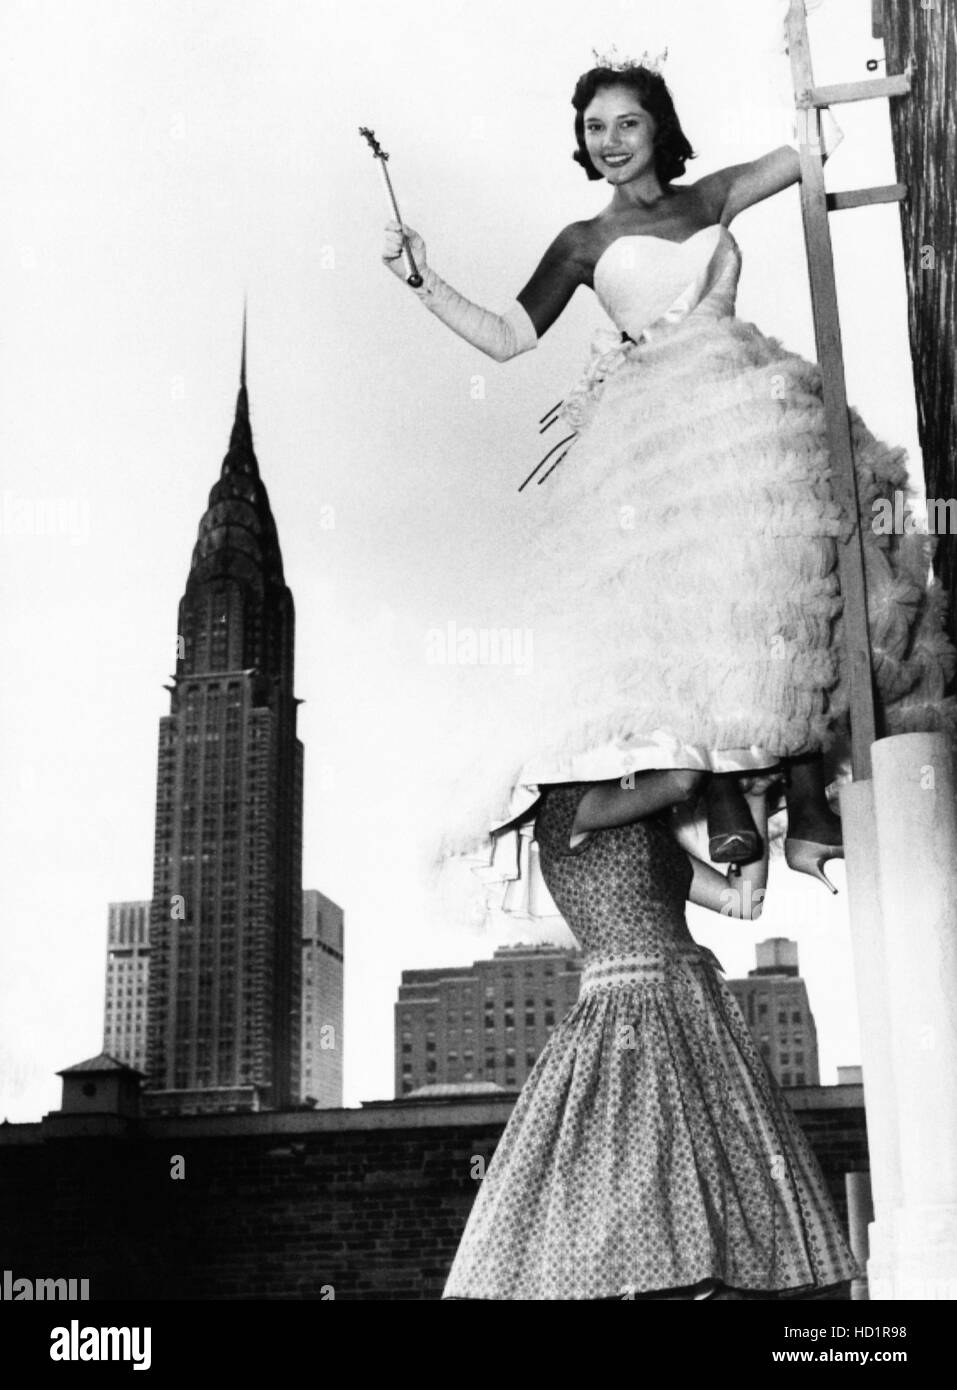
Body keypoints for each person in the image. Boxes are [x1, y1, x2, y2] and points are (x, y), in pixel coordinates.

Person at [382, 55, 956, 896]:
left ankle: (801, 791)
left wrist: (858, 75)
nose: (609, 142)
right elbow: (508, 336)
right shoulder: (582, 242)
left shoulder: (709, 197)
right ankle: (726, 787)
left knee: (788, 582)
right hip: (657, 436)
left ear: (658, 128)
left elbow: (805, 149)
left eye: (626, 123)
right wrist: (422, 279)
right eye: (592, 128)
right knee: (696, 603)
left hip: (749, 405)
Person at [442, 773, 862, 1299]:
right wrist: (730, 765)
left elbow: (743, 901)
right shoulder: (569, 806)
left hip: (693, 1008)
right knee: (642, 1172)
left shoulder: (652, 834)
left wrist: (754, 800)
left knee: (714, 1181)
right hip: (628, 1012)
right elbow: (684, 780)